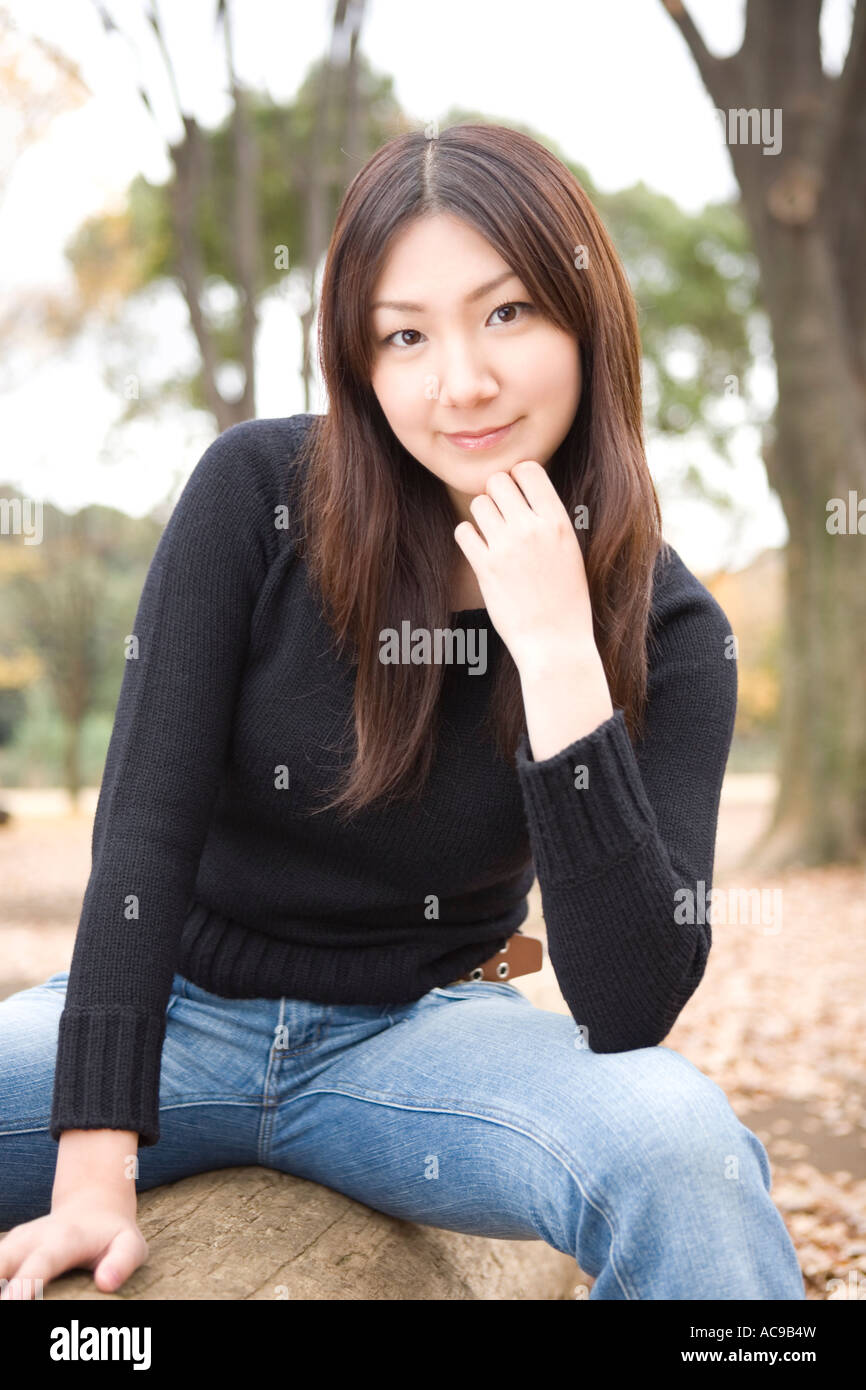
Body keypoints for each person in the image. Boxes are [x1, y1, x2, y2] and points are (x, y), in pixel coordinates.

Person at [0, 123, 804, 1301]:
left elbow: (628, 1001)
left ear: (587, 325)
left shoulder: (675, 631)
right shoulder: (255, 496)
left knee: (686, 1153)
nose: (461, 381)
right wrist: (93, 1165)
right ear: (359, 361)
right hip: (171, 1022)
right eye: (405, 335)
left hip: (418, 1046)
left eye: (507, 313)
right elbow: (142, 835)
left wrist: (555, 653)